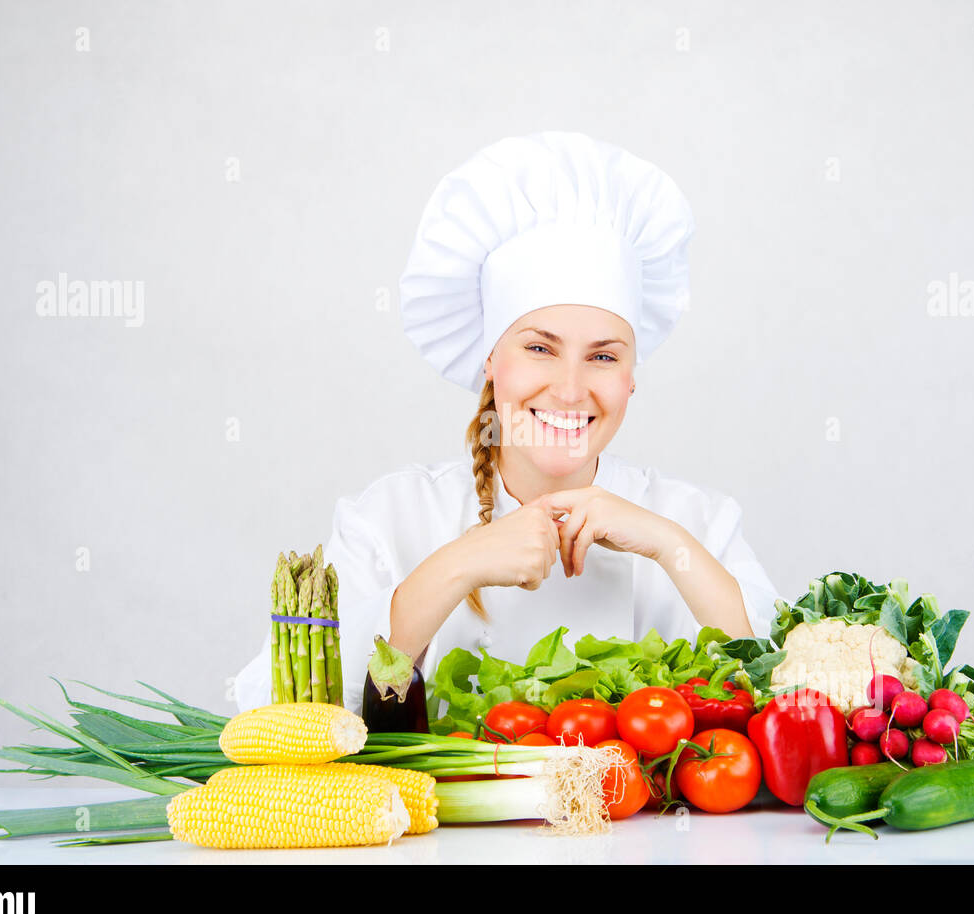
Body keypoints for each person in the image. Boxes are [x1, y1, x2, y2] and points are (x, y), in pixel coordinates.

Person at [232, 131, 780, 716]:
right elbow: (275, 711)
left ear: (632, 373)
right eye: (540, 349)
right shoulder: (387, 520)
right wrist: (455, 566)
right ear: (490, 362)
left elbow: (790, 691)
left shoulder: (699, 522)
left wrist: (670, 545)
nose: (570, 389)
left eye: (603, 356)